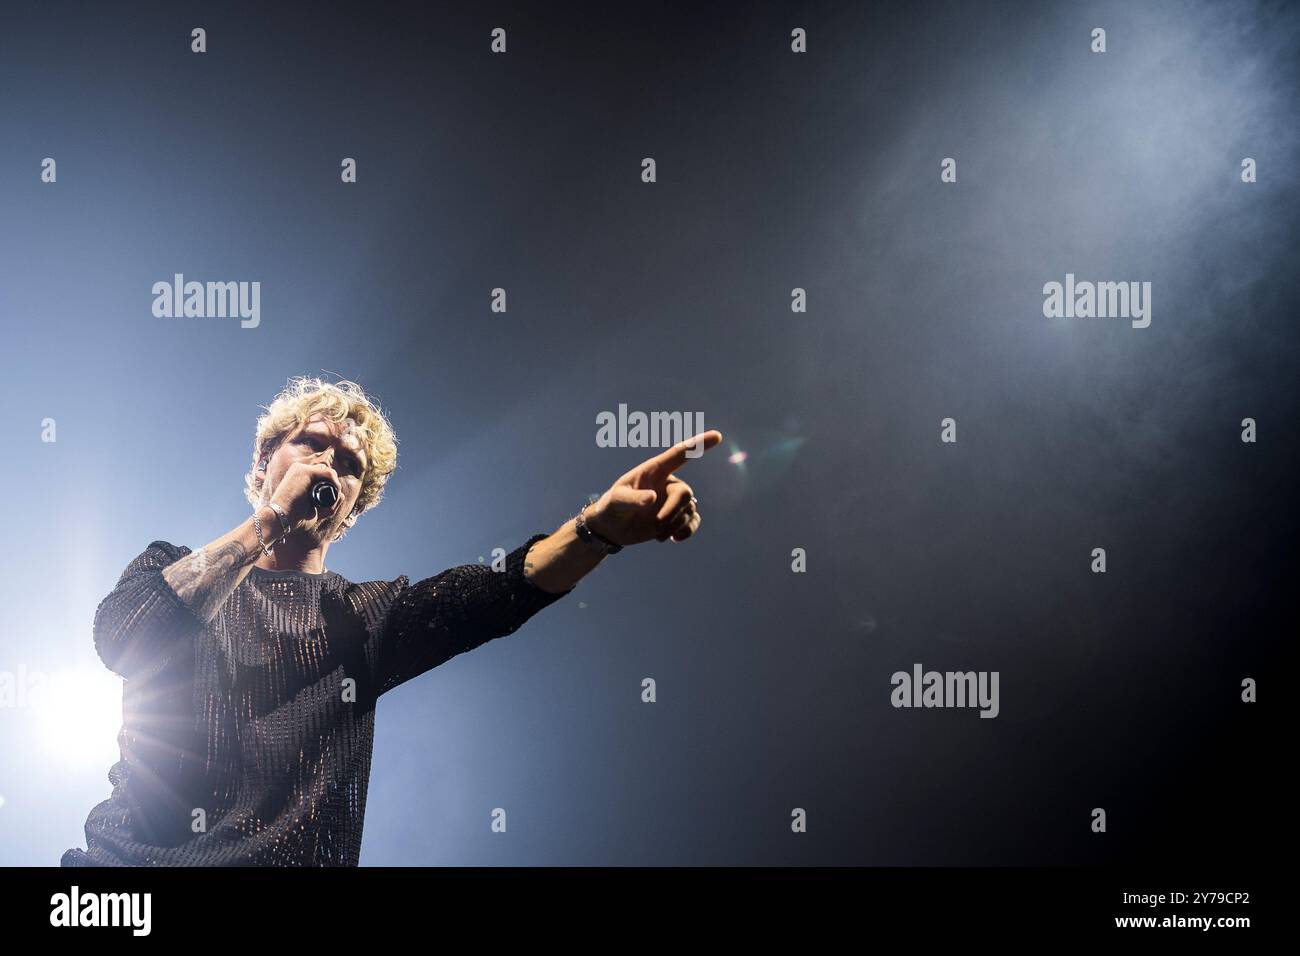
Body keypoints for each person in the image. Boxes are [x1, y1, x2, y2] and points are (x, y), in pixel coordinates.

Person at [60, 375, 720, 866]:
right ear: (264, 464)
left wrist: (595, 530)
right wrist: (267, 523)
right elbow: (125, 636)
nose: (329, 463)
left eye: (349, 464)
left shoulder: (364, 617)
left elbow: (495, 593)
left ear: (353, 507)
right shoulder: (173, 567)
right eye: (312, 443)